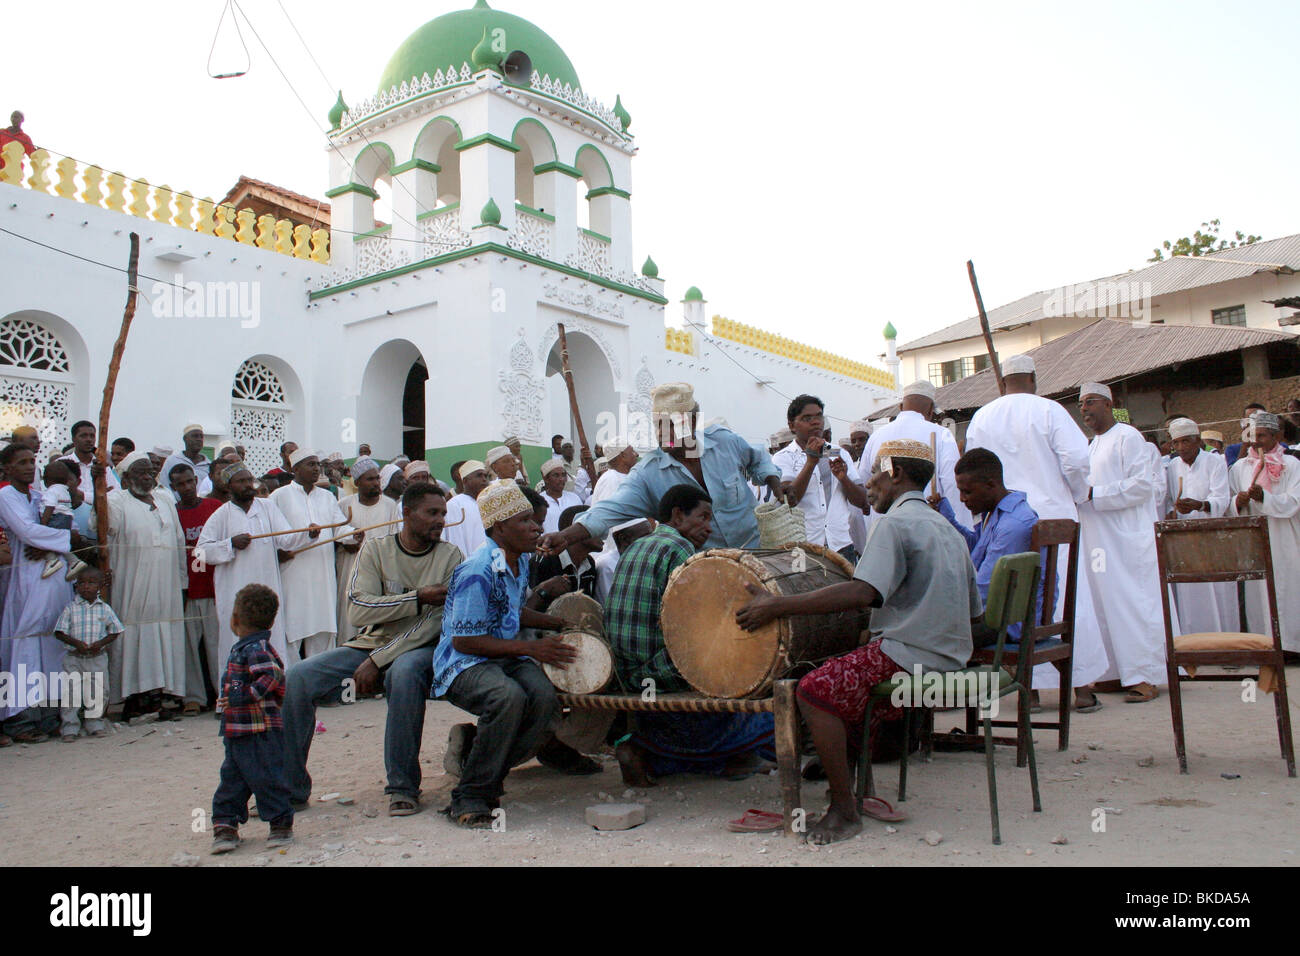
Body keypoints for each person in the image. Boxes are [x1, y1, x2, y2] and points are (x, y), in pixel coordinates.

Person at [735, 439, 982, 846]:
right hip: (949, 660)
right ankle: (846, 784)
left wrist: (778, 605)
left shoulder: (896, 524)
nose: (868, 485)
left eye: (874, 476)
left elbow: (860, 593)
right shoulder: (948, 529)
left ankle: (844, 810)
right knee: (846, 675)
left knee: (816, 690)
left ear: (895, 474)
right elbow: (975, 616)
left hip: (911, 659)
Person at [284, 483, 464, 817]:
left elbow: (436, 622)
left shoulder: (450, 557)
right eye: (432, 513)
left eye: (443, 514)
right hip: (369, 644)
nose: (440, 521)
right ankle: (289, 788)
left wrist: (378, 658)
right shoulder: (377, 550)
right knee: (297, 677)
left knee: (405, 672)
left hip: (421, 649)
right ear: (407, 514)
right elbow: (358, 610)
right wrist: (416, 598)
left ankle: (403, 786)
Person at [606, 484, 775, 786]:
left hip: (623, 671)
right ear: (677, 515)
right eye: (703, 517)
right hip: (657, 672)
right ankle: (730, 754)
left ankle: (662, 753)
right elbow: (697, 623)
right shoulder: (680, 549)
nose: (708, 528)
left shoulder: (636, 545)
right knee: (752, 673)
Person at [963, 354, 1107, 708]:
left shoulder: (983, 416)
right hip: (1051, 519)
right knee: (1065, 602)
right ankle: (1082, 688)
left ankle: (1028, 690)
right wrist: (1074, 494)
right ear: (1033, 379)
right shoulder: (1050, 410)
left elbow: (971, 466)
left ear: (1002, 383)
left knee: (1015, 601)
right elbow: (1076, 460)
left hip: (1004, 518)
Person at [432, 481, 574, 827]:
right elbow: (465, 641)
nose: (537, 527)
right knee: (507, 697)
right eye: (526, 520)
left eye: (534, 520)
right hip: (464, 663)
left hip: (504, 655)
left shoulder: (519, 561)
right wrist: (530, 647)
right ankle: (471, 796)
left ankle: (478, 761)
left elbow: (513, 611)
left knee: (544, 697)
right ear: (500, 527)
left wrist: (558, 622)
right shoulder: (477, 571)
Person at [542, 383, 783, 559]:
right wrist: (565, 535)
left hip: (759, 554)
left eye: (672, 426)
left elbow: (759, 457)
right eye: (659, 425)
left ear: (692, 421)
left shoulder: (724, 442)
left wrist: (774, 482)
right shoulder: (648, 474)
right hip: (703, 570)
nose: (662, 435)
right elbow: (607, 511)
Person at [1077, 383, 1172, 703]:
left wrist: (1096, 494)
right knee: (1107, 607)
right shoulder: (1092, 445)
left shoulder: (1128, 436)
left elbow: (1143, 485)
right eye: (1080, 405)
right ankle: (1115, 673)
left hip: (1129, 539)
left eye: (1090, 402)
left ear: (1108, 404)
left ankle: (1146, 676)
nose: (1084, 409)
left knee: (1136, 606)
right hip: (1102, 543)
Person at [0, 443, 82, 743]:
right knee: (25, 643)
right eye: (21, 462)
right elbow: (26, 531)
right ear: (7, 468)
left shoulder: (39, 495)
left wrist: (55, 540)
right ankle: (20, 718)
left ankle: (49, 716)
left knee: (53, 642)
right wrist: (58, 538)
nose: (28, 466)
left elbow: (67, 523)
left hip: (55, 576)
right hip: (27, 578)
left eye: (32, 460)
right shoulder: (6, 496)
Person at [936, 448, 1052, 655]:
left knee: (926, 637)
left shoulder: (1013, 525)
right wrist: (949, 520)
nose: (962, 499)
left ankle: (953, 686)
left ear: (991, 485)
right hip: (1001, 615)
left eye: (967, 492)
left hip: (1010, 622)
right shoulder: (997, 514)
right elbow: (977, 548)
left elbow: (985, 588)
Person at [196, 461, 308, 668]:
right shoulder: (221, 515)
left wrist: (308, 533)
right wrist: (230, 544)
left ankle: (274, 693)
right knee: (235, 642)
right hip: (235, 595)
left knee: (272, 638)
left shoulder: (267, 507)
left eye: (250, 480)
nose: (248, 485)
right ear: (229, 486)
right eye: (241, 481)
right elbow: (200, 553)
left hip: (267, 590)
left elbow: (286, 539)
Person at [210, 583, 294, 854]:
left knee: (267, 777)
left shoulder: (255, 648)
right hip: (237, 729)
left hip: (261, 730)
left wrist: (242, 696)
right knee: (232, 780)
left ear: (235, 619)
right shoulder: (244, 647)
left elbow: (272, 675)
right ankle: (225, 825)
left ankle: (280, 824)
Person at [105, 451, 188, 719]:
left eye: (150, 471)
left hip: (167, 584)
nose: (147, 476)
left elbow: (178, 539)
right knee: (134, 636)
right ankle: (133, 698)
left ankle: (162, 695)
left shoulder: (165, 499)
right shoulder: (115, 501)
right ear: (126, 477)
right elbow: (105, 529)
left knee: (165, 633)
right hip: (133, 583)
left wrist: (183, 579)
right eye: (140, 472)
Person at [270, 450, 357, 666]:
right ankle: (291, 686)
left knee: (322, 628)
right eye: (310, 464)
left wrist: (352, 535)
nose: (317, 468)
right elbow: (276, 537)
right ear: (295, 469)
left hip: (322, 574)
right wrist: (300, 537)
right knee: (292, 629)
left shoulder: (327, 497)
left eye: (317, 464)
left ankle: (320, 686)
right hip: (293, 574)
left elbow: (338, 528)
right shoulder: (279, 497)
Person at [1227, 412, 1300, 656]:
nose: (1256, 441)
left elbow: (1295, 501)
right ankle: (1264, 646)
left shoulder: (1292, 465)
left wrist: (1265, 497)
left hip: (1284, 537)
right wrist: (1239, 501)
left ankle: (1290, 646)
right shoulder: (1240, 467)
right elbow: (1229, 503)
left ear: (1276, 436)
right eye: (1252, 435)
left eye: (1262, 435)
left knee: (1288, 587)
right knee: (1258, 591)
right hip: (1255, 538)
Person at [861, 380, 972, 530]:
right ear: (931, 409)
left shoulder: (876, 437)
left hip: (883, 527)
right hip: (926, 528)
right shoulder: (940, 434)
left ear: (901, 407)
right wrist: (960, 531)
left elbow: (864, 483)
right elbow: (952, 485)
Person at [773, 394, 867, 564]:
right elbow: (789, 500)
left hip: (840, 544)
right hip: (802, 547)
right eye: (807, 418)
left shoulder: (838, 453)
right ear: (792, 425)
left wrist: (844, 479)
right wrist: (810, 462)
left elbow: (861, 500)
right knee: (803, 589)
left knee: (843, 590)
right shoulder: (783, 457)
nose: (816, 422)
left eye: (819, 416)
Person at [1162, 418, 1233, 632]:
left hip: (1212, 537)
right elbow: (1167, 501)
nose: (1181, 447)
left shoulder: (1215, 462)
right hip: (1185, 539)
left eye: (1186, 441)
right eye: (1177, 443)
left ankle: (1226, 646)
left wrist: (1201, 505)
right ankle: (1195, 644)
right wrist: (1172, 512)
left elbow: (1222, 498)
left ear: (1197, 441)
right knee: (1190, 592)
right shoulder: (1173, 466)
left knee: (1219, 590)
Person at [171, 462, 223, 714]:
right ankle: (193, 697)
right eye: (181, 484)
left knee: (216, 646)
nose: (187, 487)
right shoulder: (172, 514)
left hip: (213, 588)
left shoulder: (213, 508)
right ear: (174, 487)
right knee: (189, 647)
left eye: (190, 481)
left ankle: (221, 694)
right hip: (187, 590)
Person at [334, 456, 401, 643]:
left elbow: (394, 539)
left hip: (379, 570)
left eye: (377, 478)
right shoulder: (345, 504)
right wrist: (345, 542)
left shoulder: (389, 505)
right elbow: (336, 535)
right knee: (348, 620)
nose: (375, 483)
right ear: (357, 482)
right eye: (369, 479)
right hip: (349, 569)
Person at [52, 568, 121, 741]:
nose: (86, 587)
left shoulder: (104, 609)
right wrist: (76, 643)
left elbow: (115, 631)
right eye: (82, 583)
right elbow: (59, 632)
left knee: (97, 692)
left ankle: (94, 724)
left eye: (91, 583)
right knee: (71, 693)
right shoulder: (71, 608)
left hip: (97, 658)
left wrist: (100, 644)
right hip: (74, 658)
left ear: (100, 586)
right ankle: (70, 728)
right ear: (76, 586)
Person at [38, 460, 87, 580]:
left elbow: (50, 507)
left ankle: (52, 560)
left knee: (43, 539)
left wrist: (43, 524)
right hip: (67, 520)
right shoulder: (65, 491)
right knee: (60, 542)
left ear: (45, 480)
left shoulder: (52, 491)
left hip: (56, 518)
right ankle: (74, 561)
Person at [59, 420, 120, 501]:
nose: (89, 439)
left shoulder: (101, 465)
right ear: (73, 439)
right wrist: (99, 496)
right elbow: (60, 494)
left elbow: (116, 495)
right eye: (83, 436)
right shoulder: (62, 464)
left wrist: (82, 495)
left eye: (92, 436)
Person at [444, 460, 491, 558]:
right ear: (465, 481)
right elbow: (455, 540)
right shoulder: (455, 505)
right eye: (479, 475)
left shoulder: (489, 503)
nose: (484, 479)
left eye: (485, 476)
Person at [162, 425, 211, 499]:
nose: (199, 439)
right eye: (195, 436)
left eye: (201, 436)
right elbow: (165, 486)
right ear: (185, 439)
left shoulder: (209, 465)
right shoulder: (172, 461)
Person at [538, 459, 583, 535]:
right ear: (546, 479)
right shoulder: (539, 501)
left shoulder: (575, 498)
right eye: (556, 475)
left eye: (563, 475)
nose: (561, 479)